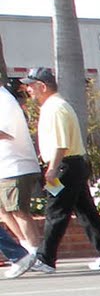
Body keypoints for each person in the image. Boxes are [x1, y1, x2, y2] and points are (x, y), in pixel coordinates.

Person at [16, 67, 100, 277]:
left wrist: (53, 168)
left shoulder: (55, 108)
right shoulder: (56, 106)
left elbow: (60, 143)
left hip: (64, 166)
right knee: (86, 213)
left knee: (55, 212)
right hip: (71, 166)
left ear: (43, 86)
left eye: (31, 85)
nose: (28, 89)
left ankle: (46, 259)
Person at [0, 76, 42, 278]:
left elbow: (5, 132)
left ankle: (35, 254)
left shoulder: (4, 101)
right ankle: (25, 253)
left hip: (15, 166)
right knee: (4, 211)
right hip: (4, 168)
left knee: (18, 211)